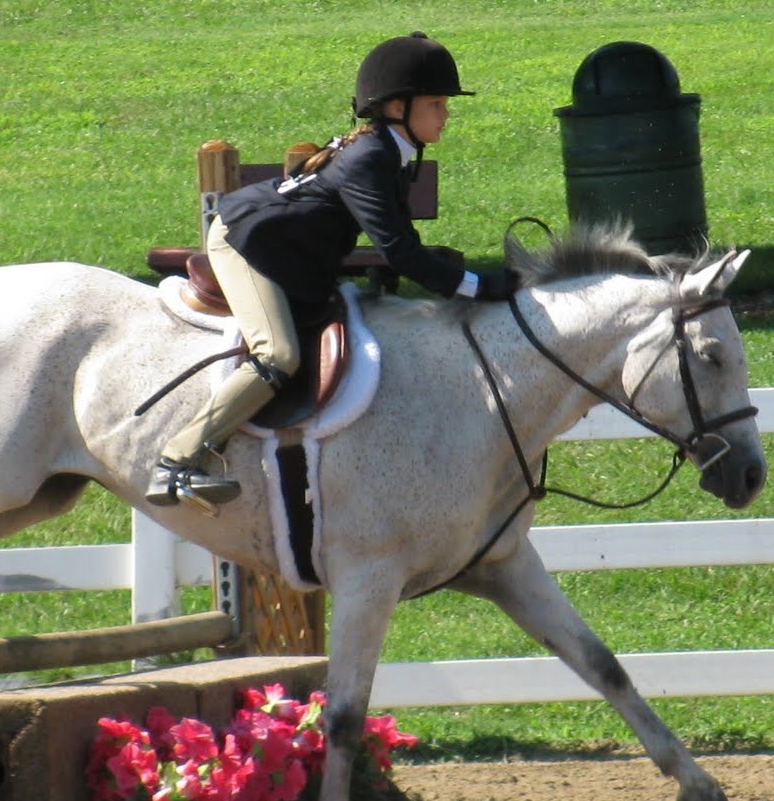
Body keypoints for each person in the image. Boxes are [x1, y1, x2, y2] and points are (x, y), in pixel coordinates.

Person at [146, 31, 518, 512]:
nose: (446, 114)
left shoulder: (389, 151)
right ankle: (177, 462)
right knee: (278, 356)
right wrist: (478, 288)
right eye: (436, 103)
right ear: (396, 108)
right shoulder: (371, 158)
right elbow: (402, 253)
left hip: (284, 250)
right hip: (245, 242)